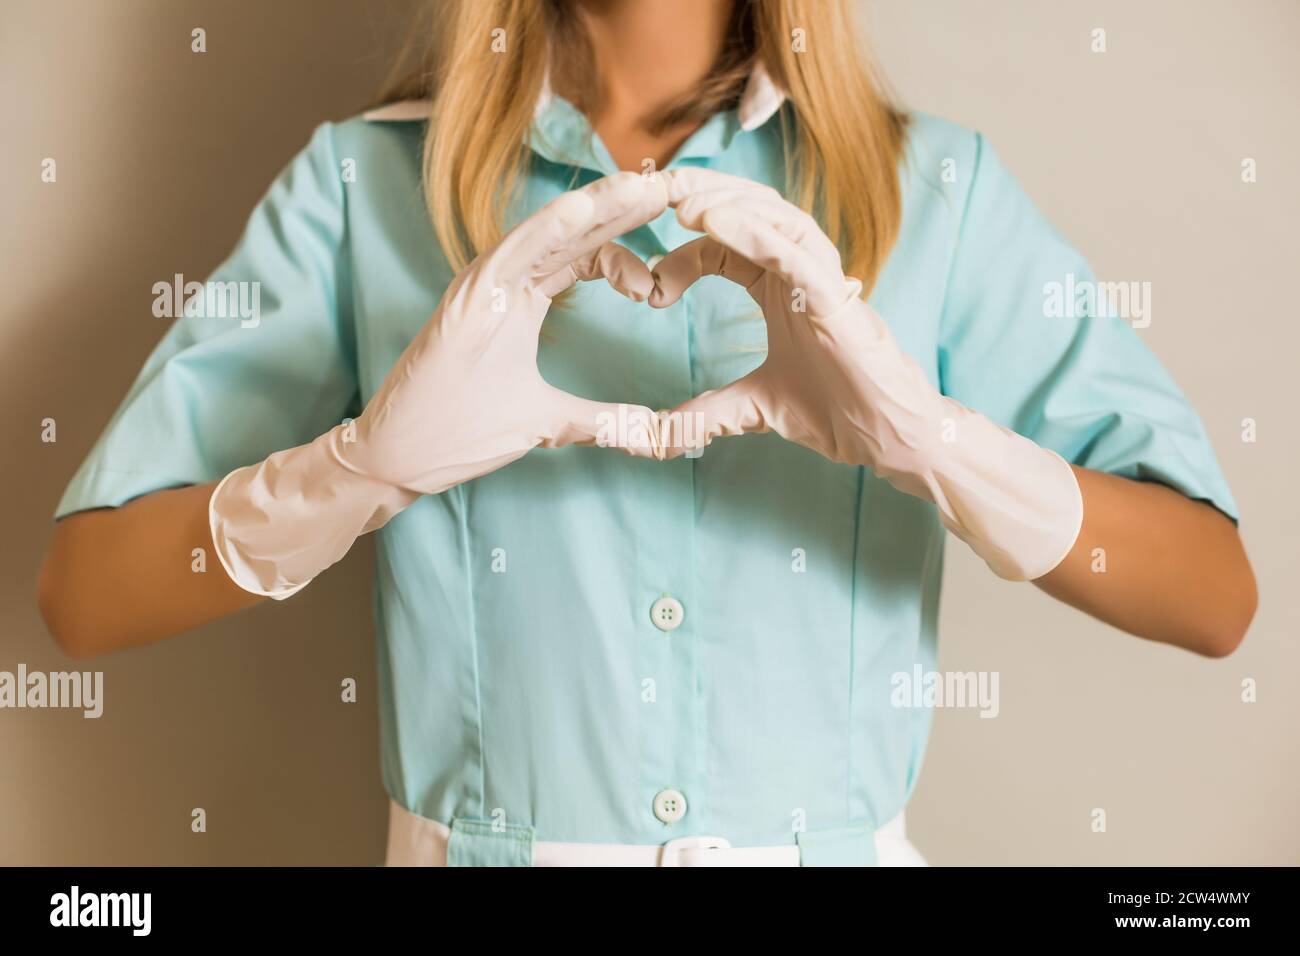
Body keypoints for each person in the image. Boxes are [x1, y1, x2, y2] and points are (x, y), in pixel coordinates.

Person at [37, 0, 1256, 866]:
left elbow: (1214, 598)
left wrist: (935, 444)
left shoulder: (932, 187)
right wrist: (359, 470)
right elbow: (84, 597)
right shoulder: (363, 187)